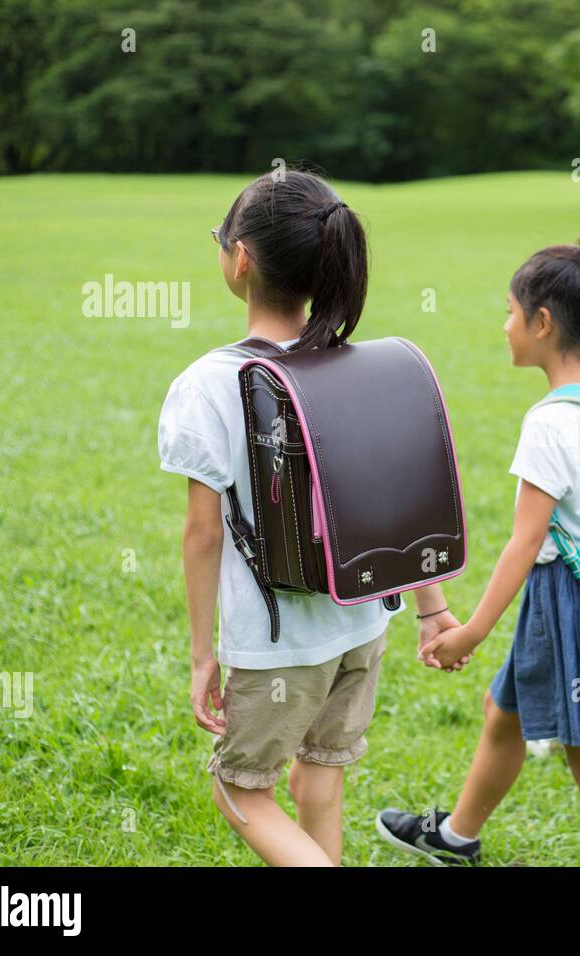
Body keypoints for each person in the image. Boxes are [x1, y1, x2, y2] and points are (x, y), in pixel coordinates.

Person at [158, 170, 461, 866]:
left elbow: (203, 534)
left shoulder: (207, 383)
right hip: (361, 625)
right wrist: (430, 606)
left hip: (277, 645)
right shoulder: (366, 364)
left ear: (239, 259)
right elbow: (400, 491)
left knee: (241, 793)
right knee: (318, 780)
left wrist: (204, 655)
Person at [375, 233, 580, 866]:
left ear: (542, 321)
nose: (504, 326)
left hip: (573, 603)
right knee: (503, 708)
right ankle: (457, 836)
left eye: (509, 311)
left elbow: (524, 544)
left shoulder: (551, 421)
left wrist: (471, 630)